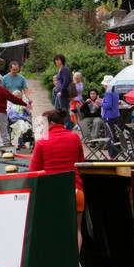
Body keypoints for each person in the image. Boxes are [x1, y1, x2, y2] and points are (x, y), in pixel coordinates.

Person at [30, 108, 86, 252]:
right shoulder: (74, 137)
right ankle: (75, 263)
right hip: (75, 191)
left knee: (53, 232)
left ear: (52, 123)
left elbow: (34, 170)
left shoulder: (42, 142)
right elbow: (81, 161)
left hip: (51, 193)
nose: (42, 127)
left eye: (43, 124)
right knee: (76, 231)